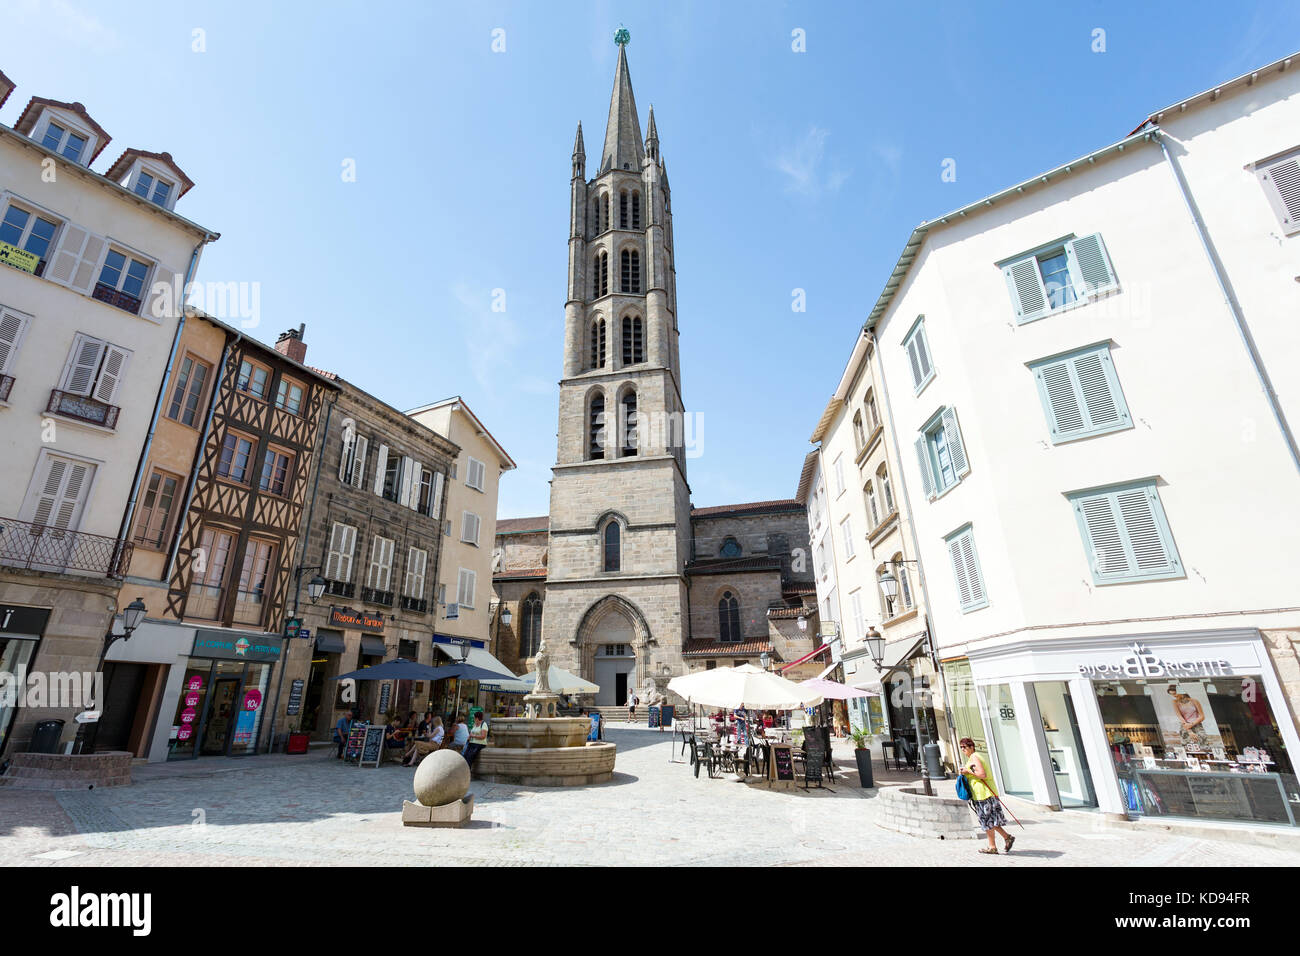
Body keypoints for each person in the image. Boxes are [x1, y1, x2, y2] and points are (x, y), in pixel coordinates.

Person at [958, 737, 1014, 854]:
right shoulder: (973, 758)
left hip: (983, 794)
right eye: (961, 747)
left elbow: (982, 774)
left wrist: (967, 772)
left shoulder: (975, 757)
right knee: (991, 821)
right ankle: (1006, 838)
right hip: (981, 794)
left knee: (987, 821)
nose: (963, 749)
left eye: (965, 747)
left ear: (971, 747)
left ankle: (993, 846)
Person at [1168, 685, 1210, 752]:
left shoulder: (1194, 701)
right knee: (1187, 749)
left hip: (1197, 725)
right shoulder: (1175, 702)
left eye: (1175, 693)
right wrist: (1189, 731)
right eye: (1172, 694)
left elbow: (1202, 716)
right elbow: (1180, 717)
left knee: (1204, 747)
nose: (1174, 696)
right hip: (1185, 727)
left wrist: (1191, 724)